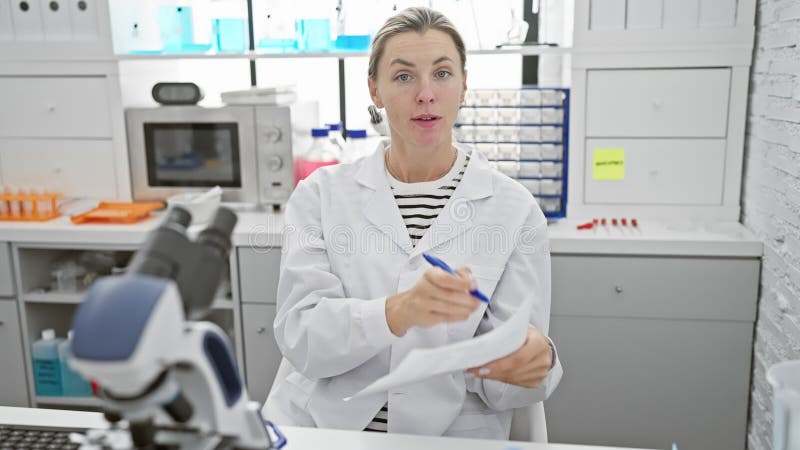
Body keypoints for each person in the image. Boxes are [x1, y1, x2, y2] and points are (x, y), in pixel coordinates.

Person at [263, 6, 562, 440]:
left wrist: (531, 362)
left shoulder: (514, 210)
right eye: (404, 76)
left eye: (442, 74)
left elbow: (504, 383)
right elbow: (302, 337)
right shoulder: (319, 196)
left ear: (463, 86)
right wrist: (397, 312)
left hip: (449, 434)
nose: (426, 94)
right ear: (375, 90)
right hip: (324, 427)